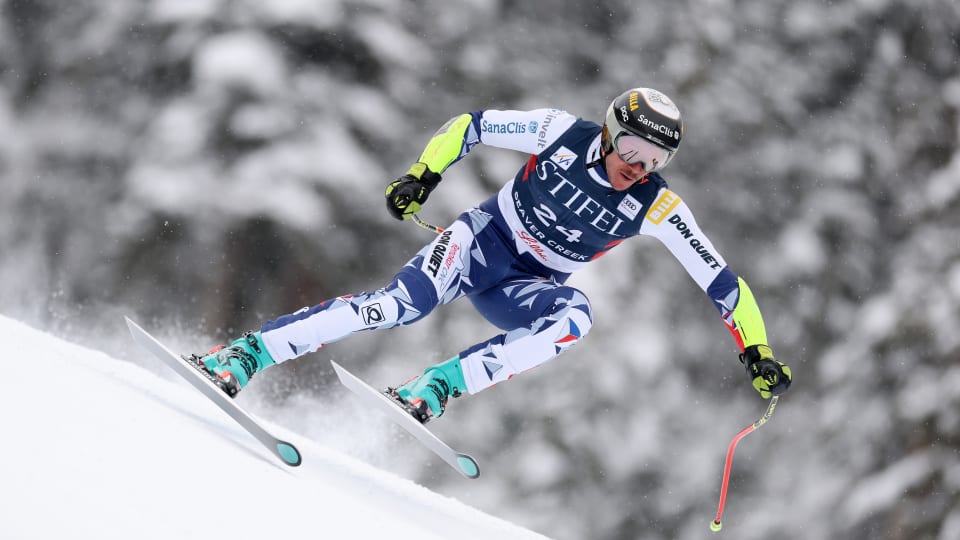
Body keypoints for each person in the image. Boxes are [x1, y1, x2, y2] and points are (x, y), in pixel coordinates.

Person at [195, 87, 792, 422]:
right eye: (633, 146)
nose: (637, 165)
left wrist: (756, 352)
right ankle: (244, 356)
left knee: (576, 318)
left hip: (525, 285)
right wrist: (422, 177)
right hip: (479, 244)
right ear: (611, 131)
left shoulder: (658, 207)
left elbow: (724, 284)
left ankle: (437, 386)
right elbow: (471, 125)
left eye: (656, 159)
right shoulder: (560, 132)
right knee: (393, 308)